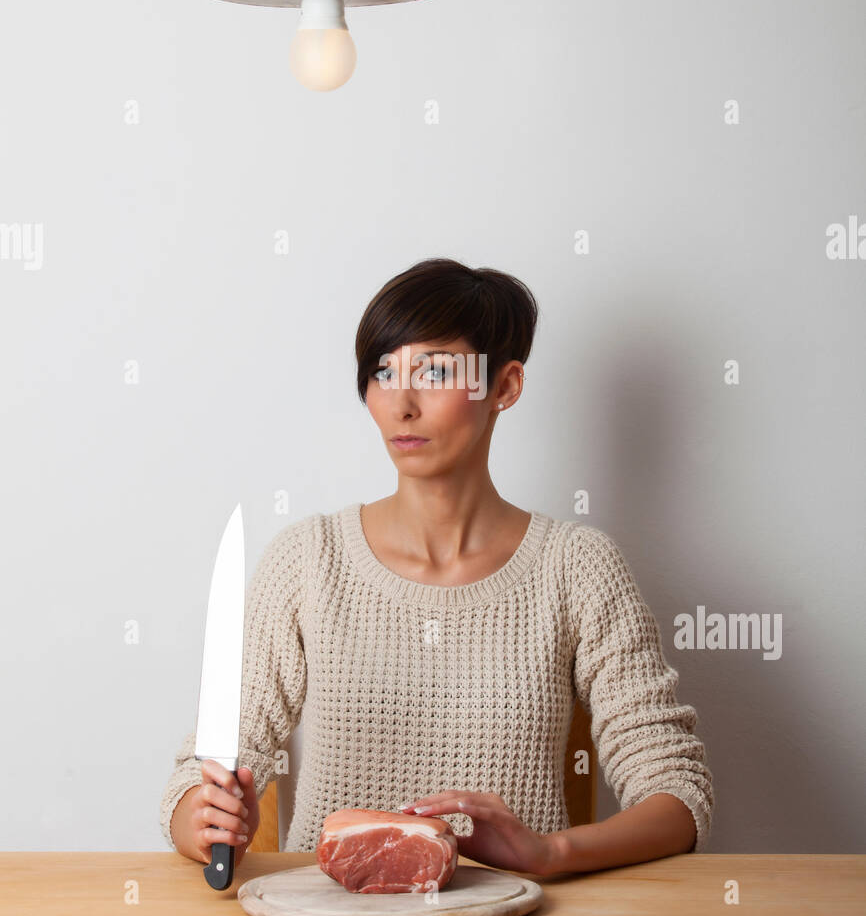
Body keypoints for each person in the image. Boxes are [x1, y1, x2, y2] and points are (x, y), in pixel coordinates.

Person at [162, 256, 713, 876]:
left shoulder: (578, 569)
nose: (401, 403)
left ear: (504, 387)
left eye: (436, 372)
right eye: (382, 372)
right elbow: (198, 780)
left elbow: (677, 794)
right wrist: (205, 817)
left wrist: (551, 851)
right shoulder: (306, 561)